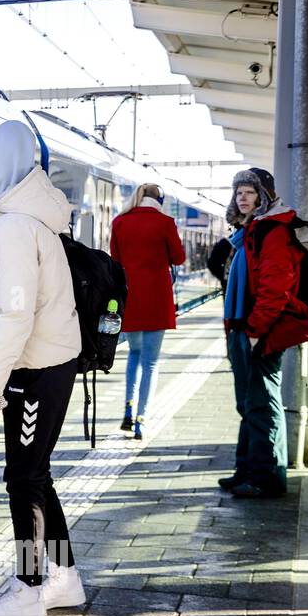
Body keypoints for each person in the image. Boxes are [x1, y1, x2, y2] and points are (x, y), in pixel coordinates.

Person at [0, 120, 84, 616]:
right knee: (35, 475)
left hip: (35, 369)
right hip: (48, 362)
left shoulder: (14, 227)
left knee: (23, 479)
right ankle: (65, 577)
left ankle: (28, 589)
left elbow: (15, 313)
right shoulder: (31, 220)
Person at [219, 167, 308, 499]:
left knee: (261, 402)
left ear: (264, 195)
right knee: (249, 402)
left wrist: (254, 331)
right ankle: (246, 469)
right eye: (239, 192)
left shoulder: (272, 232)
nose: (242, 197)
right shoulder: (251, 231)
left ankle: (267, 477)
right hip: (244, 328)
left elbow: (274, 287)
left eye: (250, 191)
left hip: (259, 331)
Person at [109, 183, 185, 440]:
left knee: (134, 353)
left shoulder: (120, 222)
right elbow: (179, 257)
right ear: (159, 200)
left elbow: (115, 260)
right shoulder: (165, 222)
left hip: (131, 299)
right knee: (150, 362)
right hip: (156, 300)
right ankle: (141, 419)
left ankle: (128, 409)